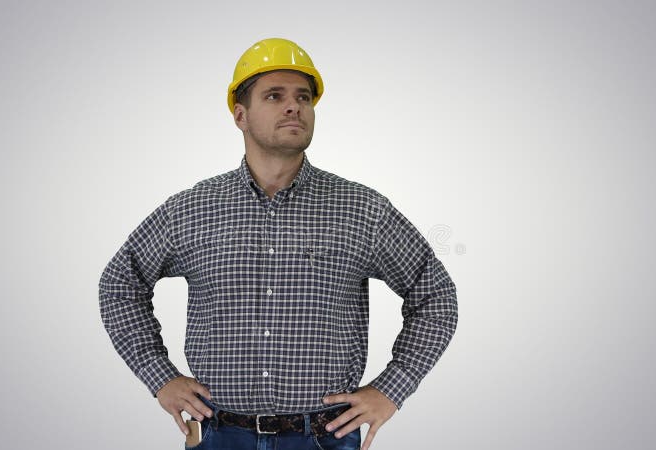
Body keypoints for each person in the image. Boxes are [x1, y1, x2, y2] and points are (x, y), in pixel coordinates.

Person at [98, 37, 458, 450]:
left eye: (303, 97)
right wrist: (158, 376)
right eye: (275, 96)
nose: (294, 106)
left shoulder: (362, 210)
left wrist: (393, 387)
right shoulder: (191, 210)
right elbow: (120, 283)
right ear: (240, 115)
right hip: (218, 433)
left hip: (324, 436)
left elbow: (436, 295)